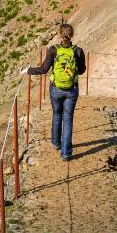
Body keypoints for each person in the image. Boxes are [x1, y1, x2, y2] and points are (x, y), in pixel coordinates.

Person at [19, 23, 86, 161]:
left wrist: (28, 70)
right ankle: (66, 153)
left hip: (55, 88)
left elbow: (44, 69)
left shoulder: (53, 50)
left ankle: (56, 143)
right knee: (68, 120)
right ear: (71, 35)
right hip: (72, 89)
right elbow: (81, 70)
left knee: (57, 115)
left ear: (60, 35)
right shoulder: (78, 51)